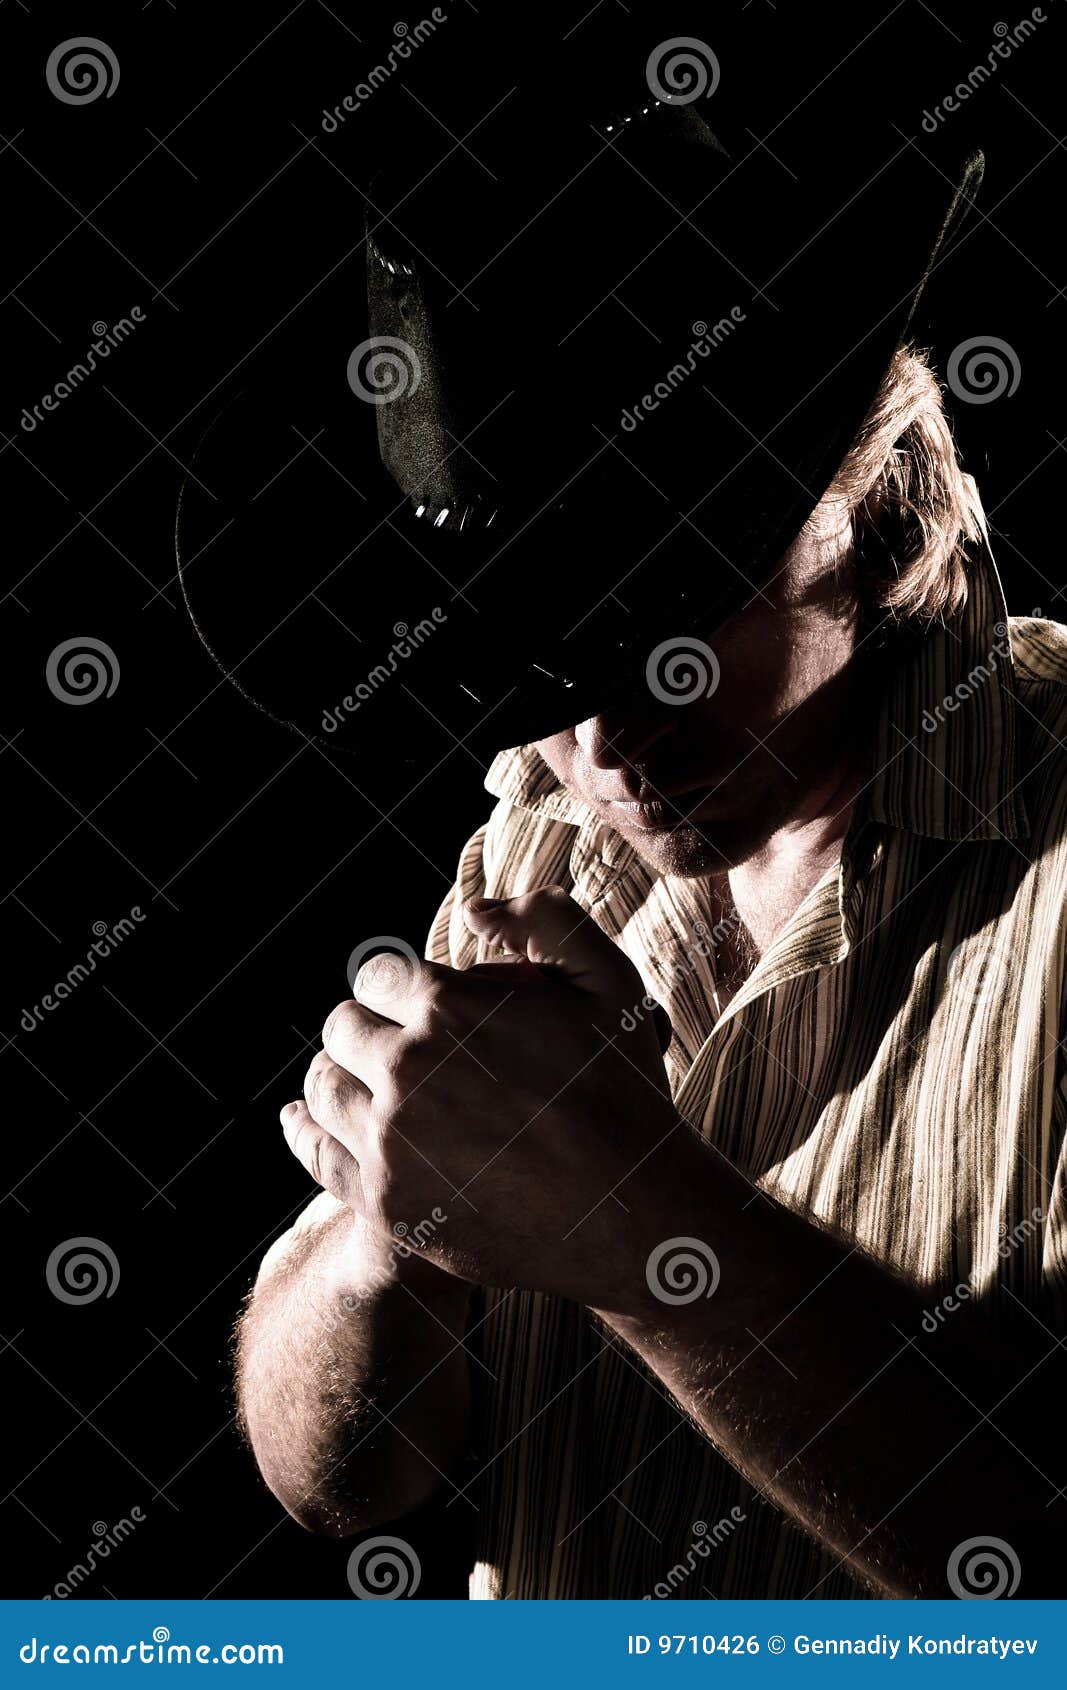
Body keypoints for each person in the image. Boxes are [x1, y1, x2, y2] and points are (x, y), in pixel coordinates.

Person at [235, 345, 1067, 1599]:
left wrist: (635, 1222)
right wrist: (390, 1225)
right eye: (537, 653)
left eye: (673, 609)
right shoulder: (536, 843)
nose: (606, 739)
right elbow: (340, 1483)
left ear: (880, 493)